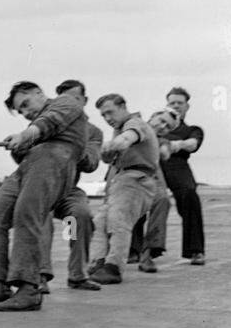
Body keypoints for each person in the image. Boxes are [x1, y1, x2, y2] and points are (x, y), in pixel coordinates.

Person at [0, 81, 87, 312]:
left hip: (55, 160)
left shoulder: (66, 102)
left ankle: (29, 288)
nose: (25, 112)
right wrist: (19, 147)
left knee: (27, 214)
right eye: (20, 111)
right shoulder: (33, 126)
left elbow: (49, 122)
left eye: (25, 103)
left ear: (38, 93)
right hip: (30, 164)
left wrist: (26, 135)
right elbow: (34, 135)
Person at [86, 94, 160, 286]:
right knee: (100, 222)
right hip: (121, 181)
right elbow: (111, 159)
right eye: (103, 115)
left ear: (123, 107)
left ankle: (114, 268)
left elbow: (127, 139)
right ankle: (98, 262)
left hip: (136, 180)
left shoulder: (135, 123)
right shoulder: (118, 129)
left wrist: (113, 145)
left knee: (119, 222)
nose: (107, 118)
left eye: (110, 112)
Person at [38, 80, 103, 292]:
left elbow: (92, 164)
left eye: (75, 100)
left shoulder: (93, 132)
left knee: (78, 217)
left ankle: (77, 275)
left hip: (68, 190)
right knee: (42, 219)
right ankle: (40, 276)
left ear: (84, 101)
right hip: (43, 187)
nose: (71, 106)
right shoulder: (47, 121)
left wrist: (75, 144)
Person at [130, 109, 181, 272]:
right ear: (152, 116)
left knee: (162, 200)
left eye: (167, 127)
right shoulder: (132, 125)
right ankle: (130, 249)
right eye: (161, 120)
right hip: (125, 176)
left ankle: (148, 253)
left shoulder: (161, 141)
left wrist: (166, 147)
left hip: (150, 177)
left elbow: (165, 153)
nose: (162, 126)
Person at [162, 87, 206, 265]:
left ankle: (195, 251)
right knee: (139, 196)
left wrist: (174, 145)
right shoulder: (157, 125)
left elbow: (192, 144)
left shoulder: (193, 129)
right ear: (166, 105)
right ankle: (134, 250)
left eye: (180, 103)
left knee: (190, 195)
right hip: (153, 165)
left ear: (187, 106)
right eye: (172, 102)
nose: (176, 106)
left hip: (177, 165)